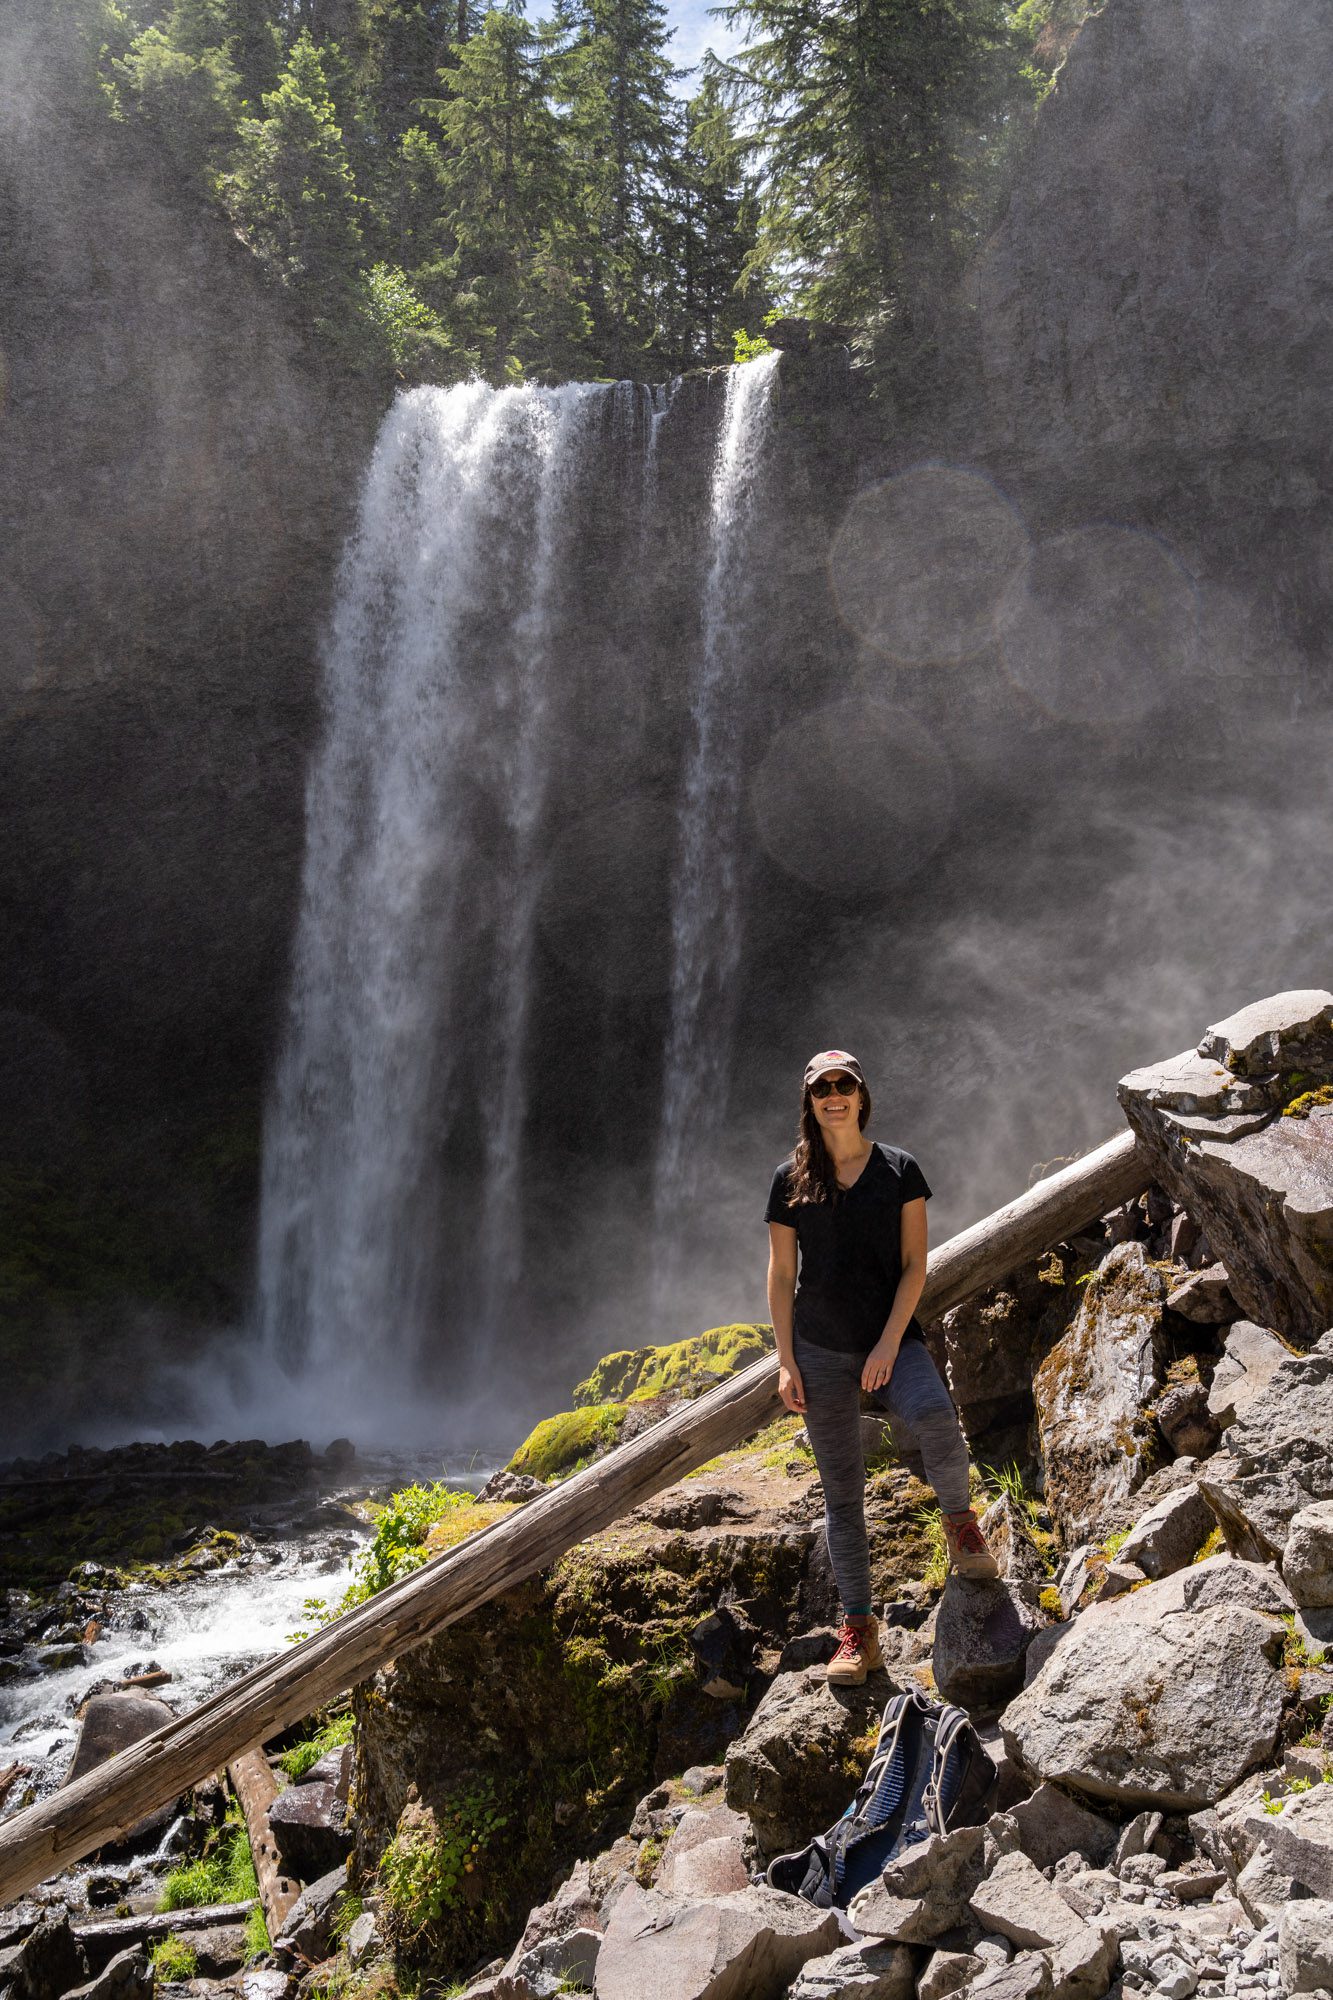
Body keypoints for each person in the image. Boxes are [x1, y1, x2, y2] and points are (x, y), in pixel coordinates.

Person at [766, 1048, 998, 1686]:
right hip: (817, 1351)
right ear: (810, 1102)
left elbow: (916, 1264)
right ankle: (860, 1632)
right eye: (822, 1088)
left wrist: (889, 1344)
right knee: (842, 1493)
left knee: (935, 1416)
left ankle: (961, 1525)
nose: (833, 1096)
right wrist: (786, 1361)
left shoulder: (900, 1169)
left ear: (862, 1095)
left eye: (844, 1084)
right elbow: (782, 1275)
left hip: (890, 1341)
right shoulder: (790, 1178)